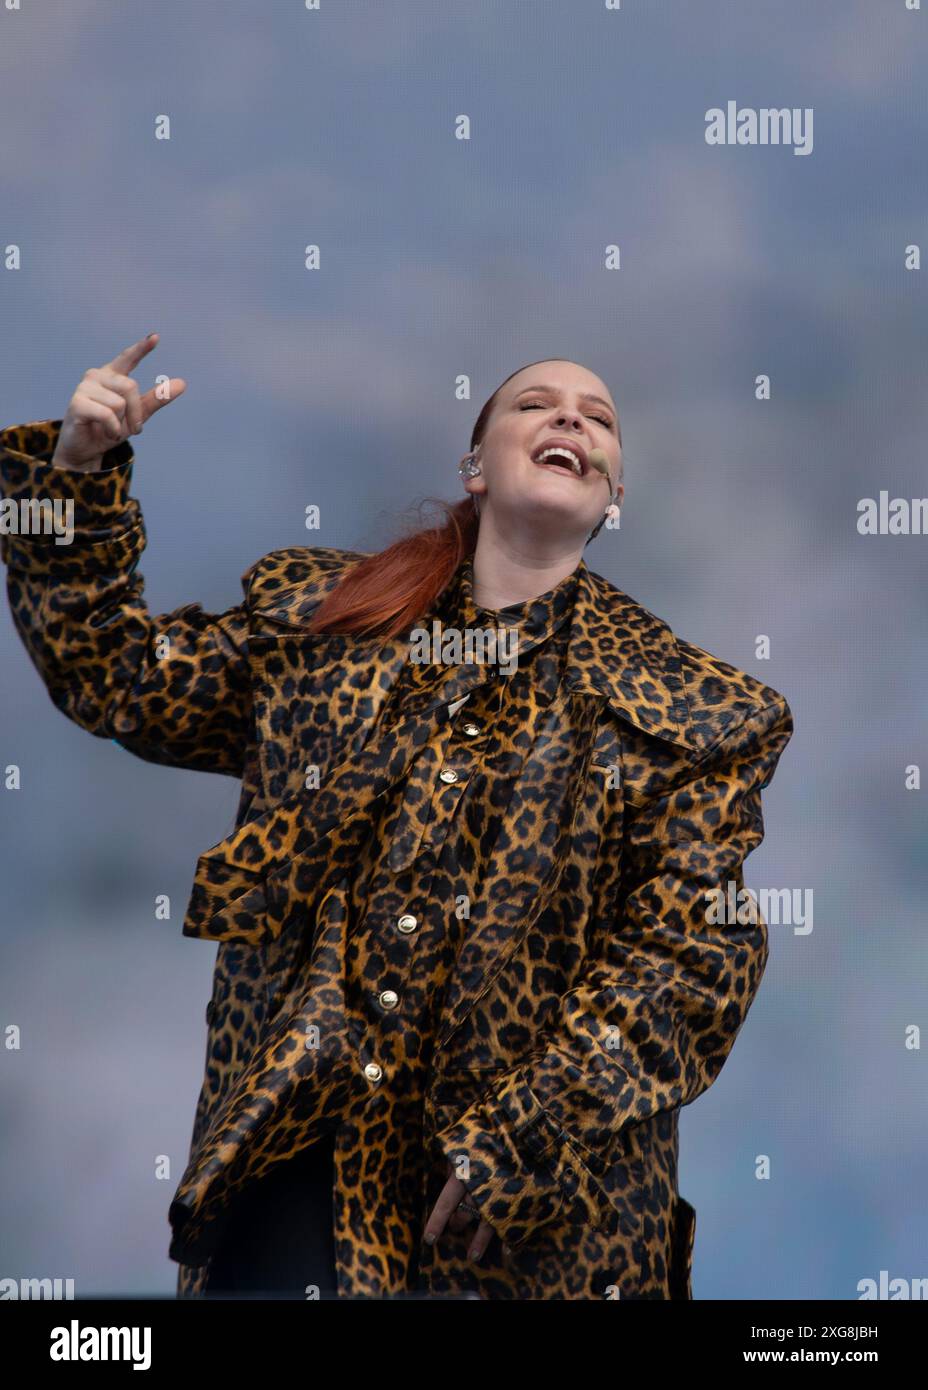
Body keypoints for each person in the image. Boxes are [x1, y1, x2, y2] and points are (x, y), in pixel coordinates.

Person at [0, 338, 793, 1300]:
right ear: (476, 467)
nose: (571, 418)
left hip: (532, 1225)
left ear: (614, 491)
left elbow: (695, 959)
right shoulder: (321, 630)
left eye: (599, 416)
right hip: (308, 1185)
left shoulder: (688, 709)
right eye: (533, 404)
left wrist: (523, 1133)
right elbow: (115, 678)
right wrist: (73, 477)